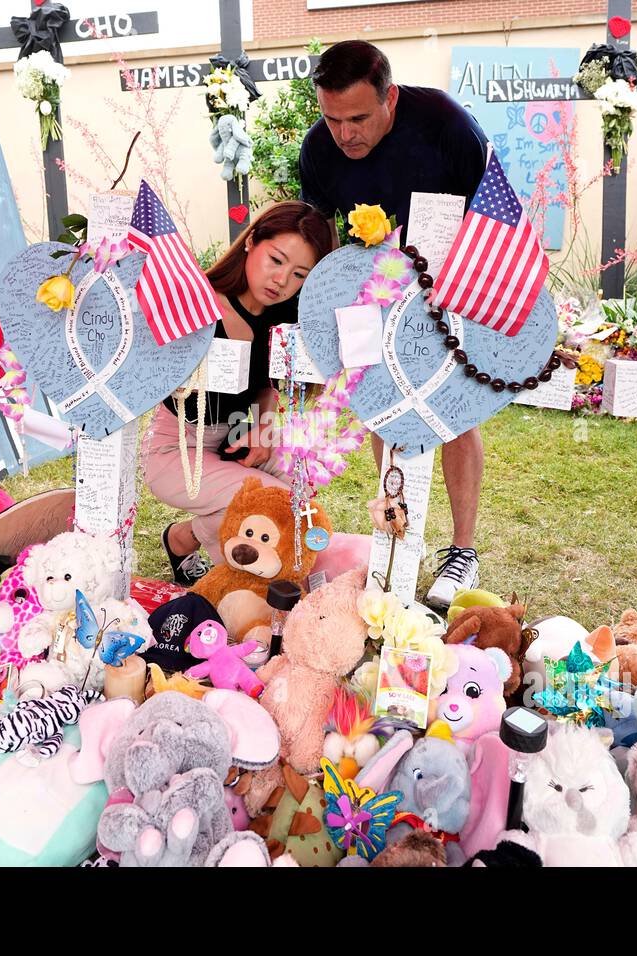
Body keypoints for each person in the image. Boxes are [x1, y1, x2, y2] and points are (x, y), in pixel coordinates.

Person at [299, 39, 491, 611]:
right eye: (332, 119)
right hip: (368, 293)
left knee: (453, 412)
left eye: (358, 118)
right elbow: (319, 236)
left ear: (391, 99)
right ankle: (396, 526)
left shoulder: (447, 125)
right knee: (380, 407)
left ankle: (462, 550)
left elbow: (491, 217)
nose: (344, 134)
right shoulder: (319, 149)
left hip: (447, 288)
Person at [146, 201, 334, 586]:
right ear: (251, 241)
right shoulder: (198, 304)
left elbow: (266, 386)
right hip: (176, 449)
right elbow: (148, 370)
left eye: (299, 274)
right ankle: (248, 587)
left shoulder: (281, 317)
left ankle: (184, 538)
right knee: (271, 505)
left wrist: (264, 429)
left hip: (234, 439)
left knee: (301, 484)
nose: (281, 280)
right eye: (276, 260)